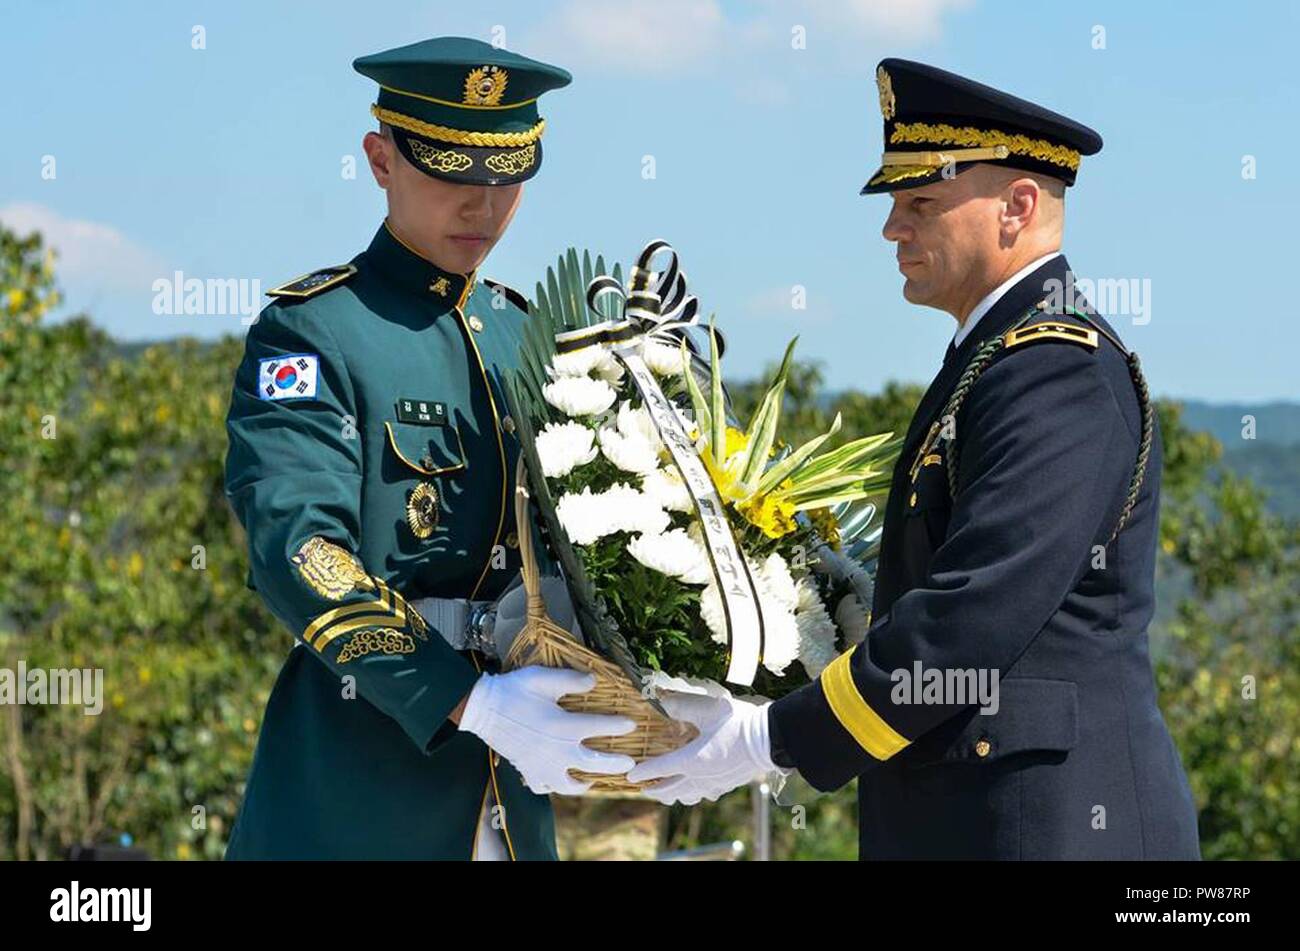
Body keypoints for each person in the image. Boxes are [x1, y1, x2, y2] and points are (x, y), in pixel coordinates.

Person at [628, 58, 1201, 860]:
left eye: (921, 202)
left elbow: (969, 617)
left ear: (1018, 206)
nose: (893, 228)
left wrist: (770, 736)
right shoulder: (996, 357)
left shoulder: (1054, 370)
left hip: (1049, 828)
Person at [223, 36, 634, 861]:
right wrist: (469, 702)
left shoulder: (530, 338)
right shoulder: (311, 333)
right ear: (380, 160)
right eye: (452, 172)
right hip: (360, 789)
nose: (483, 204)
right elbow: (298, 550)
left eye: (507, 174)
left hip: (516, 795)